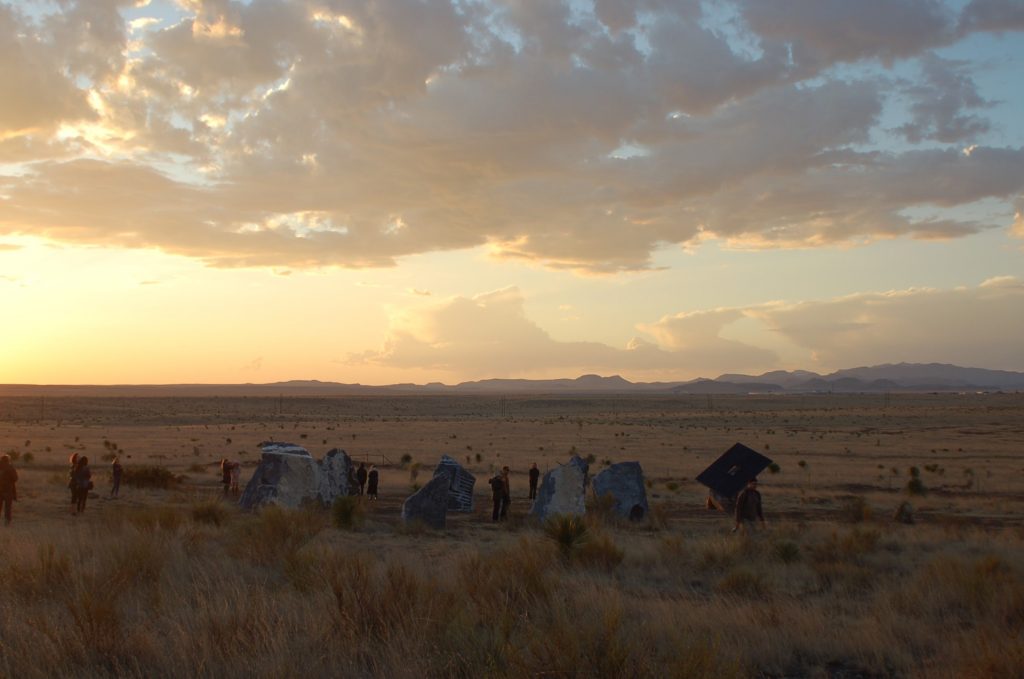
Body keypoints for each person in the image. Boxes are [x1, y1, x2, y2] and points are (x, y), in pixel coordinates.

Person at [0, 454, 18, 526]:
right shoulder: (10, 467)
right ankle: (7, 522)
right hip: (8, 490)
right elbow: (15, 478)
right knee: (8, 508)